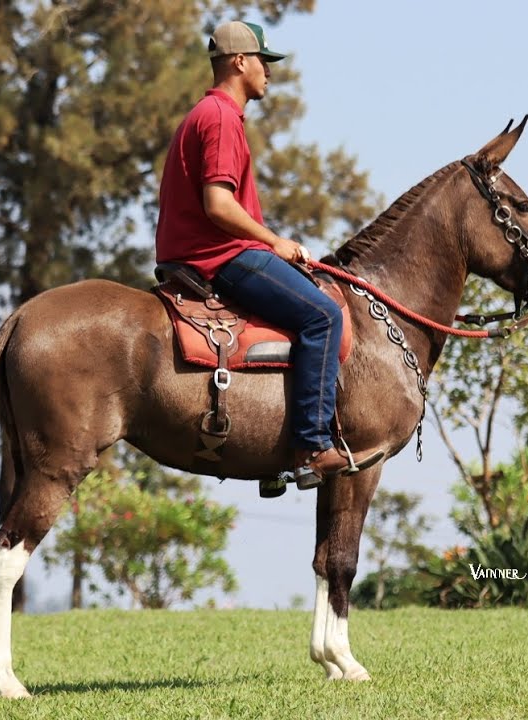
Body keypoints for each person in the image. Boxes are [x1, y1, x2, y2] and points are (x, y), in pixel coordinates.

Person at [155, 20, 378, 484]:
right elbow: (218, 204)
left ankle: (271, 454)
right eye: (264, 61)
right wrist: (273, 241)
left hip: (203, 252)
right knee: (323, 316)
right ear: (239, 61)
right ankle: (312, 446)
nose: (269, 71)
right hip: (220, 255)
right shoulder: (219, 118)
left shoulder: (209, 114)